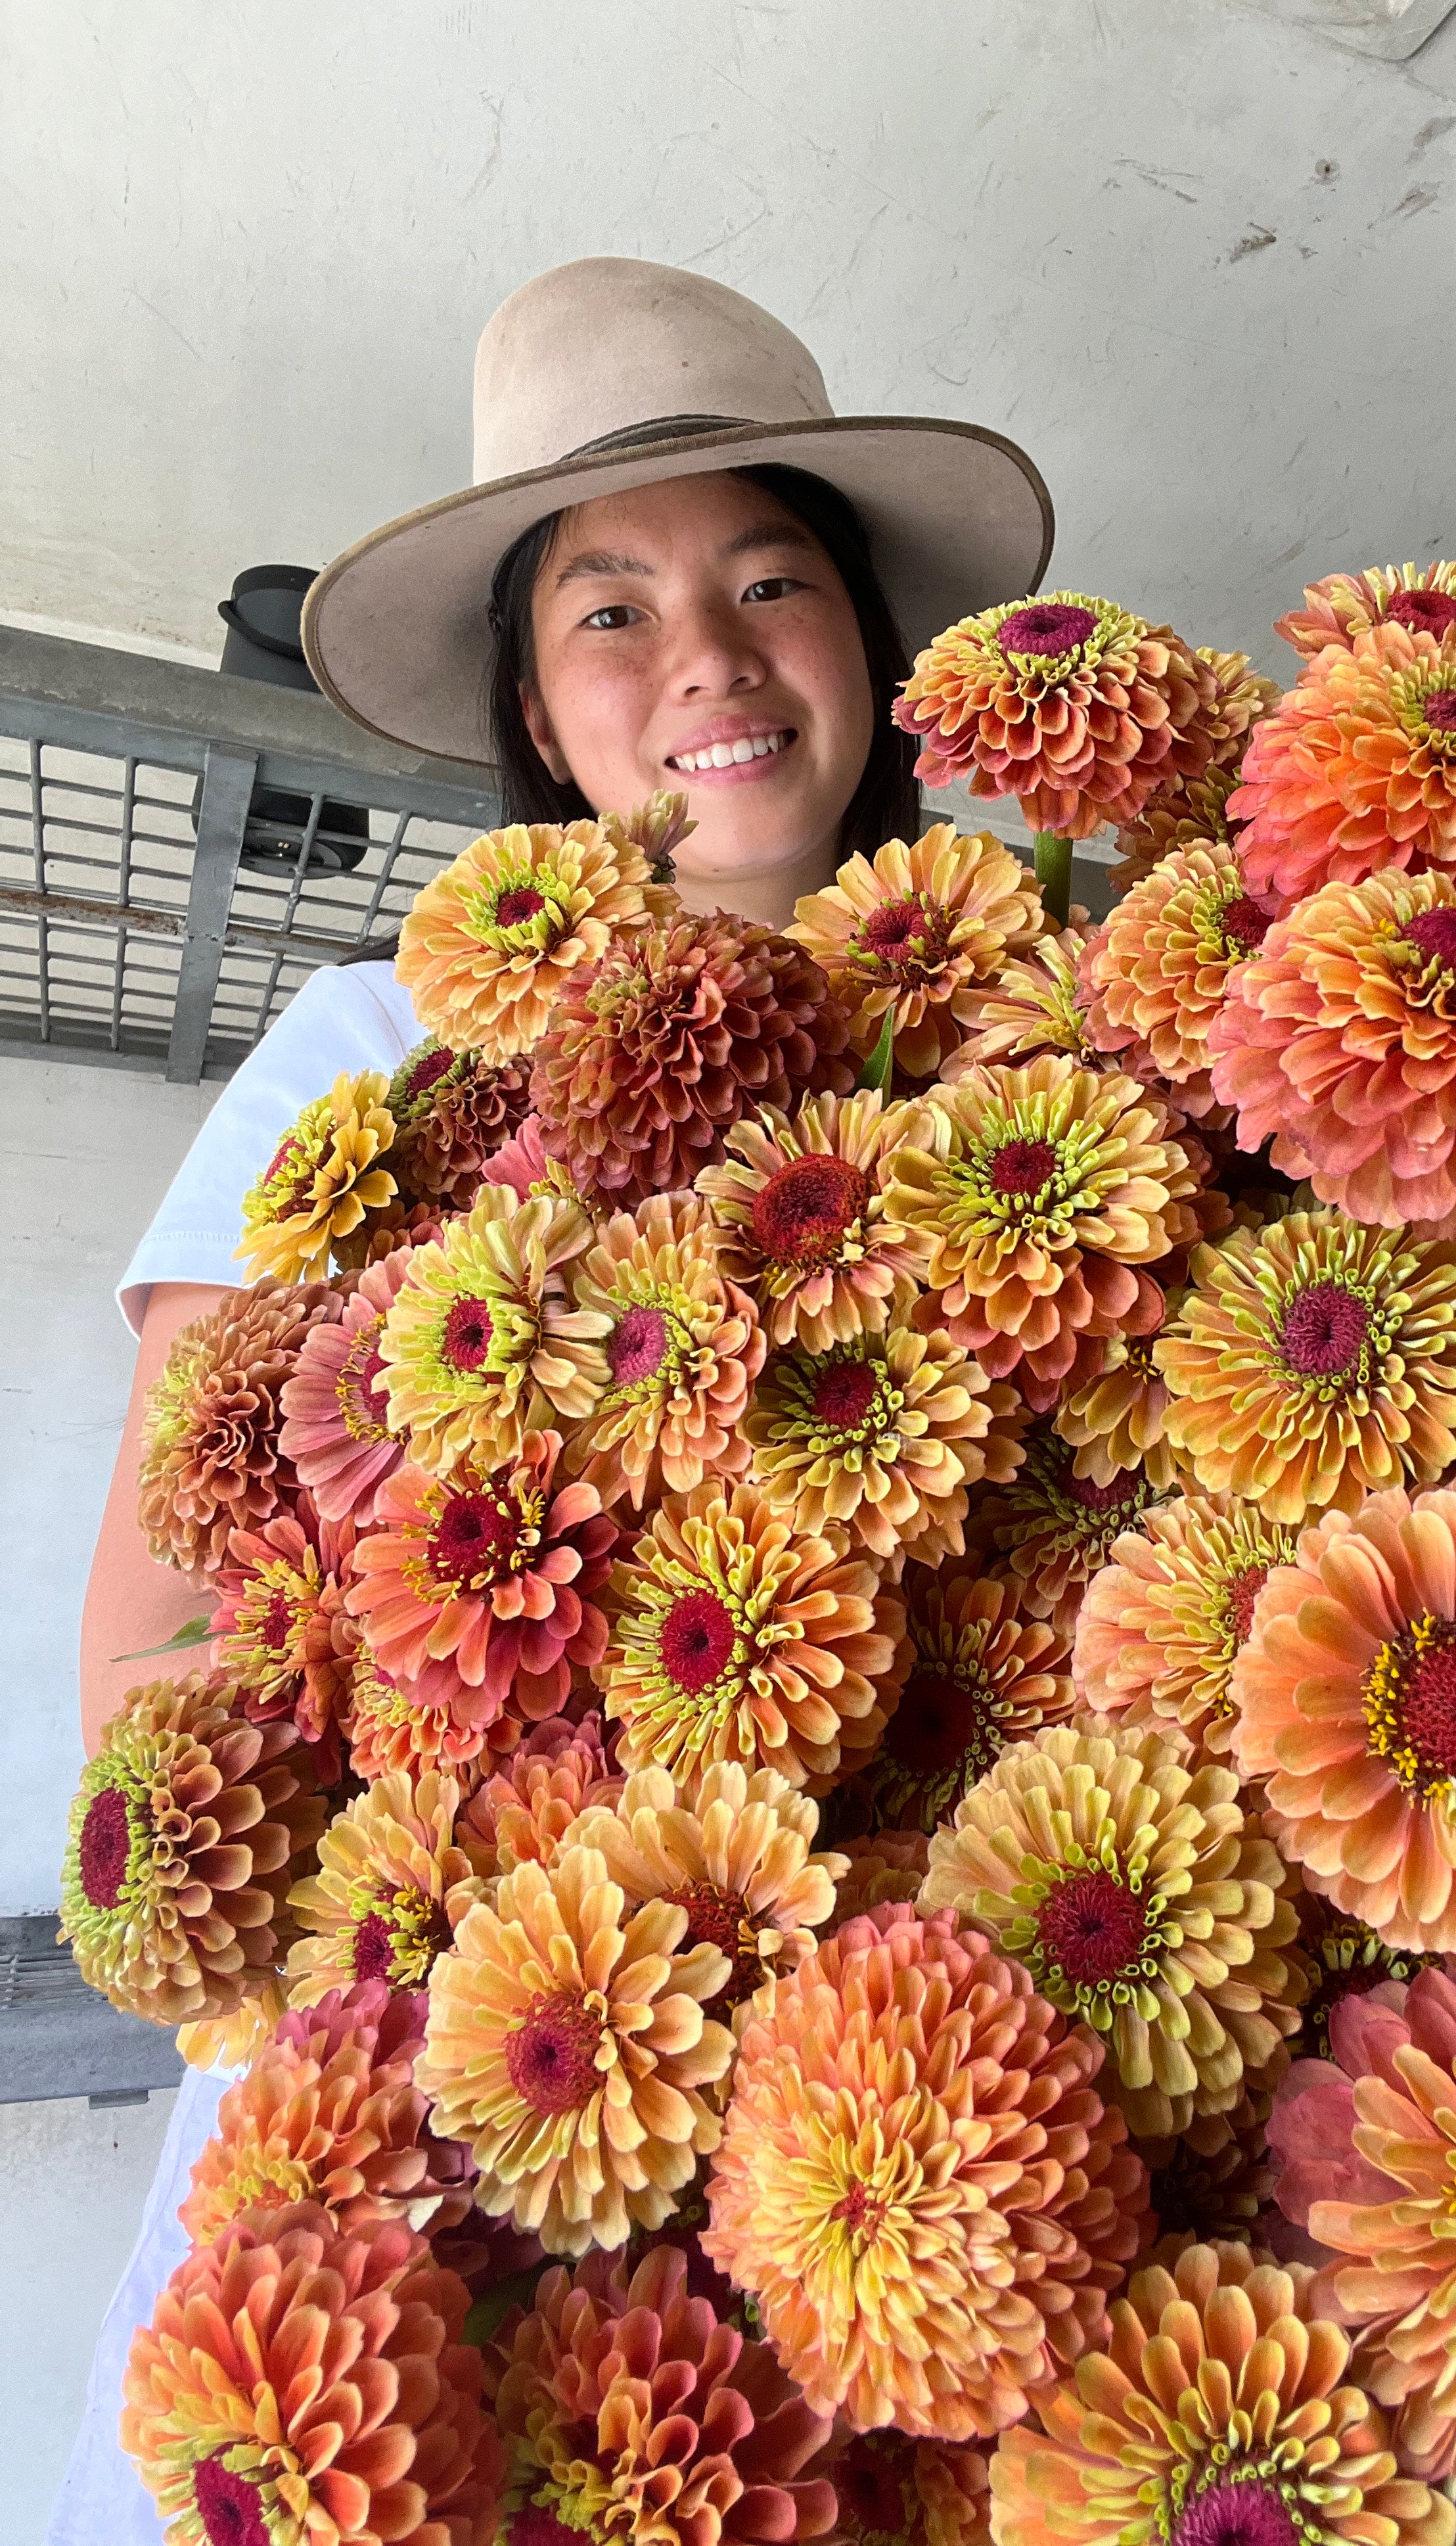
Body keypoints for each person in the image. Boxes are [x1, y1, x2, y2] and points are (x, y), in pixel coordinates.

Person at [54, 254, 1052, 2541]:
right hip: (420, 2110)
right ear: (531, 701)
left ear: (869, 657)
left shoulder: (1031, 1042)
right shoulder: (364, 1056)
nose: (705, 654)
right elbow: (157, 1660)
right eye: (610, 609)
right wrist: (457, 1992)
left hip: (909, 2114)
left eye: (772, 578)